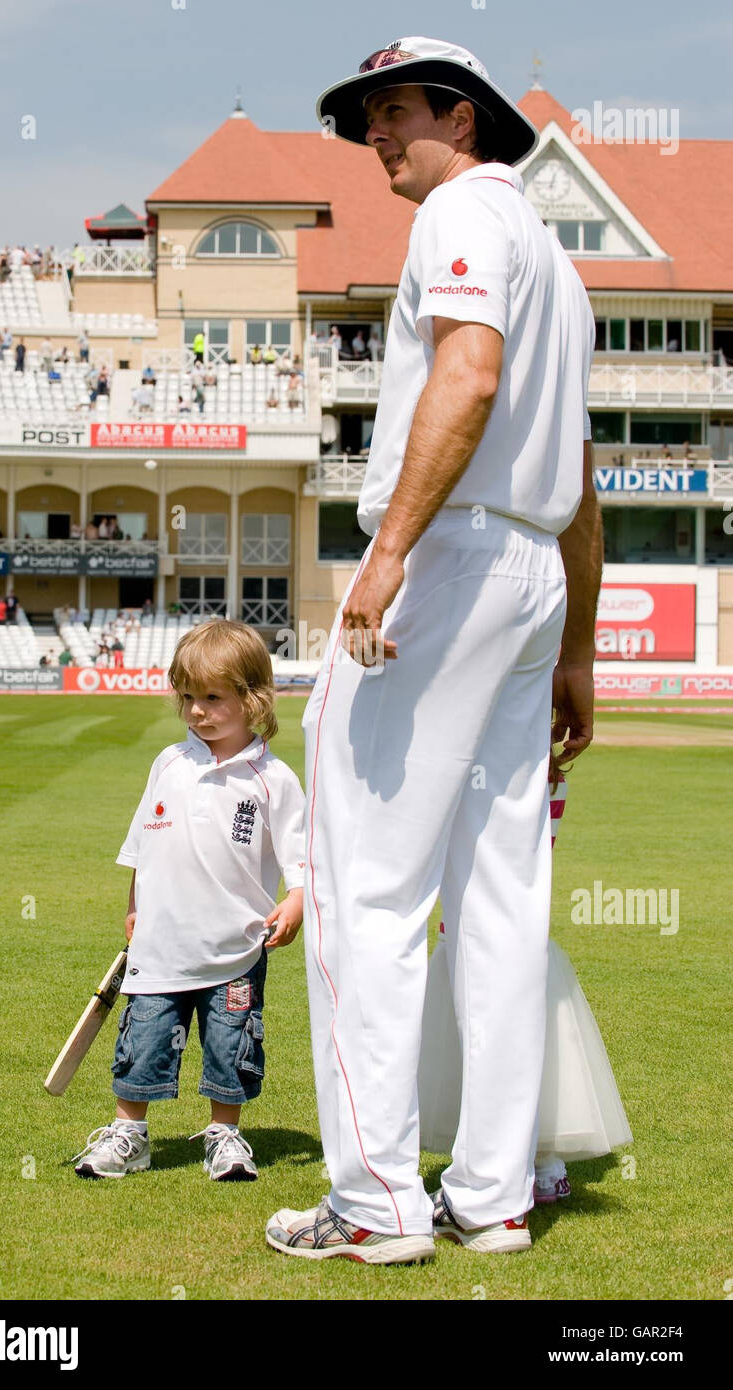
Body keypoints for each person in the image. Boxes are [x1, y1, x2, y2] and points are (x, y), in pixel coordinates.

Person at [265, 36, 600, 1265]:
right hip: (524, 572)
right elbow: (578, 475)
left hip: (452, 556)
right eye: (362, 114)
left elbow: (466, 373)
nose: (370, 134)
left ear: (457, 116)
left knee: (366, 889)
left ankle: (375, 1204)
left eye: (388, 109)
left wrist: (392, 548)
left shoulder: (459, 212)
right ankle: (492, 1194)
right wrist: (575, 645)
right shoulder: (556, 259)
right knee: (502, 896)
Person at [70, 620, 305, 1181]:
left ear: (253, 699)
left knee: (232, 1044)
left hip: (236, 948)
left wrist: (296, 900)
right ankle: (129, 1133)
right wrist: (133, 908)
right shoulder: (170, 763)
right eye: (188, 697)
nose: (198, 711)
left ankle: (225, 1134)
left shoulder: (274, 779)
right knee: (144, 1037)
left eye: (213, 698)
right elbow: (143, 848)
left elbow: (302, 858)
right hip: (161, 945)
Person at [417, 755, 632, 1212]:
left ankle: (496, 1171)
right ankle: (540, 1169)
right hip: (521, 943)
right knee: (532, 1057)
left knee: (475, 1058)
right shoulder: (542, 784)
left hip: (471, 942)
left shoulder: (475, 781)